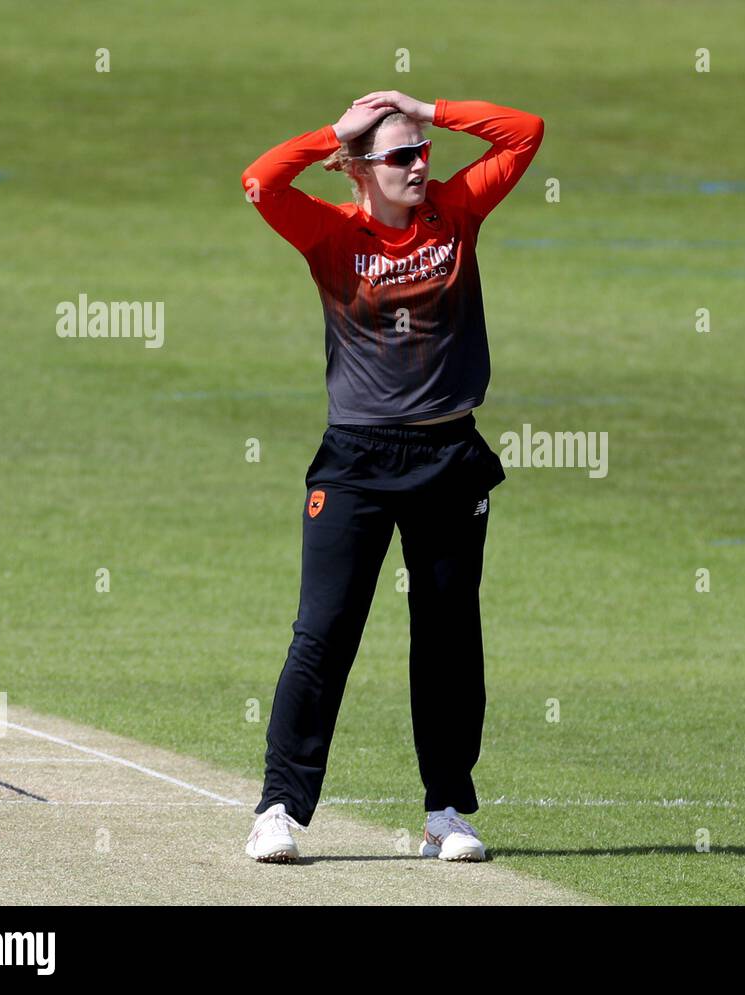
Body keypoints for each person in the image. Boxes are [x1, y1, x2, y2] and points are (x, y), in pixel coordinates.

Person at [239, 91, 543, 863]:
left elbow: (525, 133)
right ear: (361, 169)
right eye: (401, 155)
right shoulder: (333, 232)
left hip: (448, 457)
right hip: (357, 464)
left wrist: (428, 107)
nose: (419, 166)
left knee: (447, 634)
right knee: (324, 630)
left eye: (423, 151)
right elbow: (262, 183)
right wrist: (332, 134)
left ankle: (447, 810)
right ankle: (279, 807)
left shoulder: (456, 211)